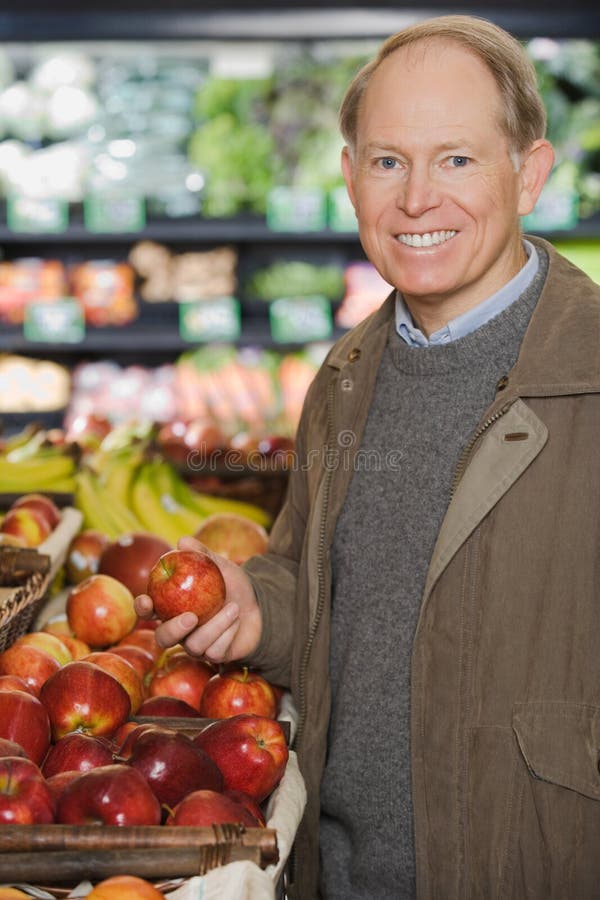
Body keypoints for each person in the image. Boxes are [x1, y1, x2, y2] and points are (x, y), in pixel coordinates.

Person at [136, 14, 600, 899]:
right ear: (349, 180)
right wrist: (256, 611)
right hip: (339, 876)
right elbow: (329, 596)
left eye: (457, 159)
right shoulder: (346, 377)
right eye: (388, 161)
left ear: (530, 173)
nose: (417, 198)